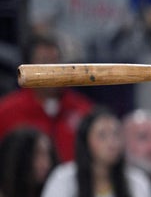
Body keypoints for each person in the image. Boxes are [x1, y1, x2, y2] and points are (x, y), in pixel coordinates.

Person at [0, 33, 94, 162]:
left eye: (56, 62)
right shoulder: (6, 112)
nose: (53, 70)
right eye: (45, 62)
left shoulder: (84, 110)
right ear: (28, 67)